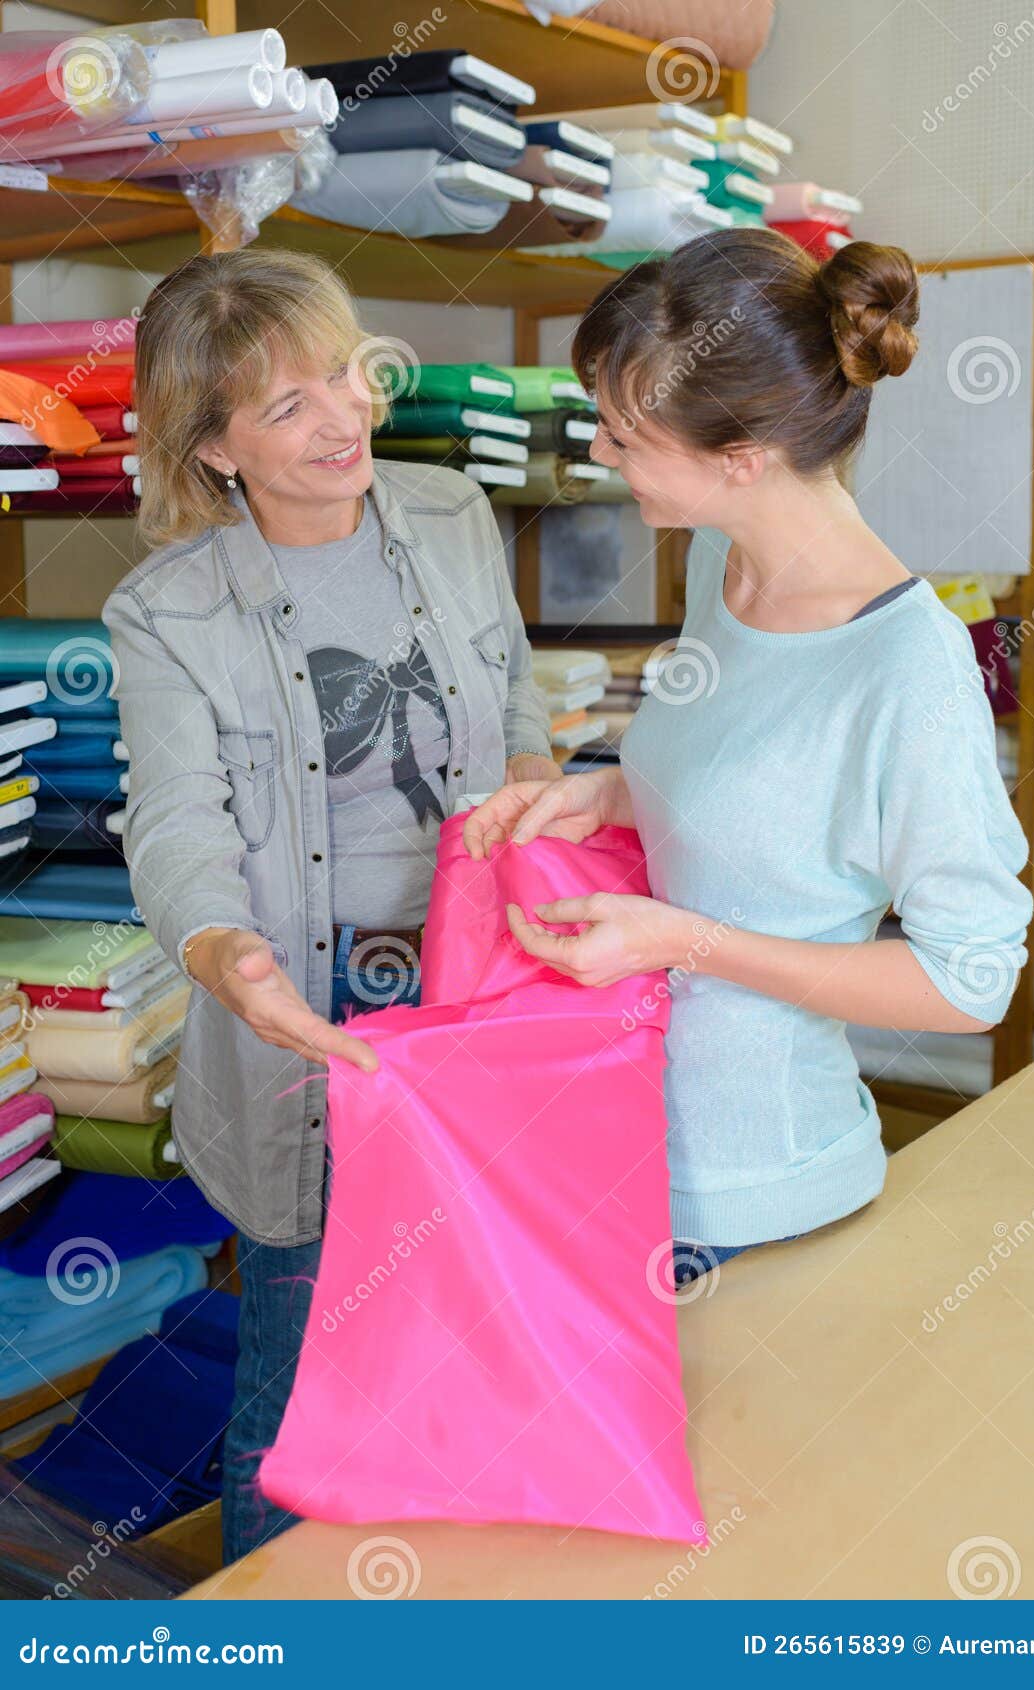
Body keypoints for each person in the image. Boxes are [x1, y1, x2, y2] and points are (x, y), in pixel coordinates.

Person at [464, 228, 1033, 1289]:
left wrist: (689, 942)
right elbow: (763, 791)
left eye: (626, 436)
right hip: (620, 1145)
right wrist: (614, 793)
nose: (598, 453)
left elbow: (974, 980)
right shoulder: (722, 562)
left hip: (755, 1199)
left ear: (740, 457)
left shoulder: (908, 670)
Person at [102, 247, 557, 1564]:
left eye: (344, 373)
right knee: (297, 1387)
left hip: (476, 995)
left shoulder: (452, 510)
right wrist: (225, 955)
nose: (343, 415)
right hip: (312, 1018)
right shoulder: (166, 613)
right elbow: (178, 818)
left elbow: (514, 693)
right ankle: (271, 1634)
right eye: (287, 403)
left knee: (472, 1334)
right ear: (216, 448)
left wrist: (540, 806)